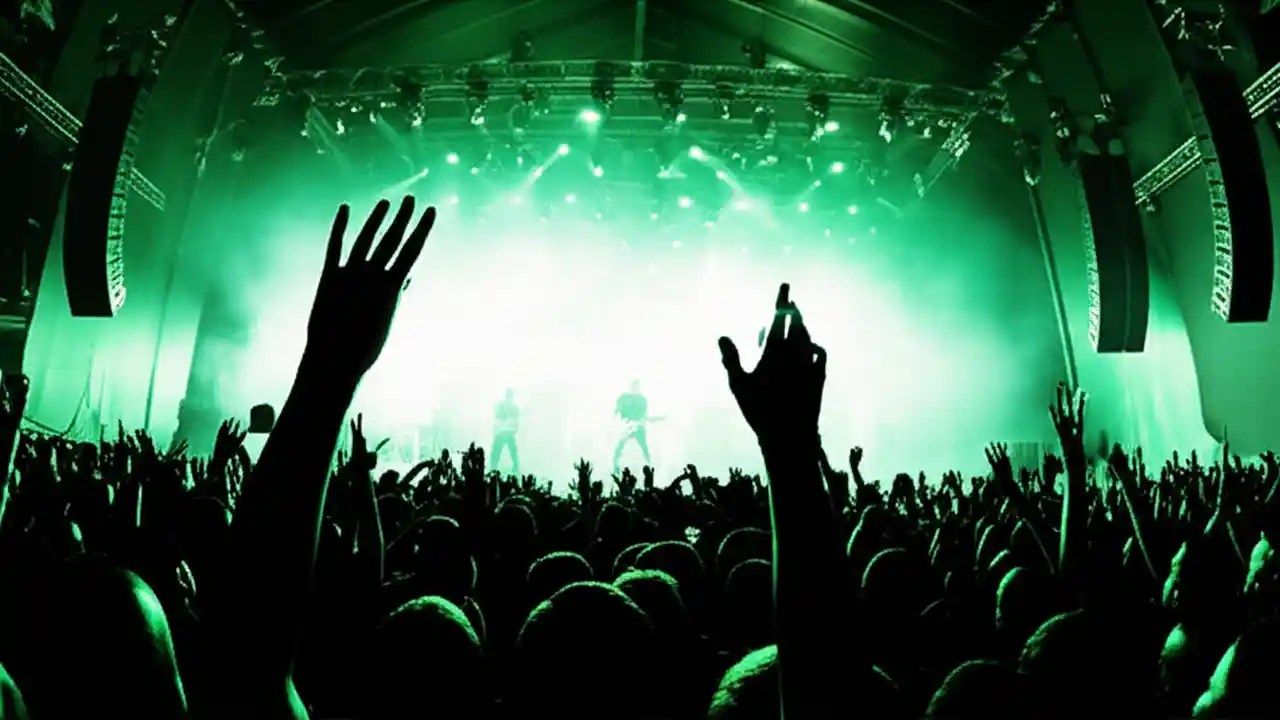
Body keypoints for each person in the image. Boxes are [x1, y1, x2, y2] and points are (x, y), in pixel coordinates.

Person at [613, 380, 659, 474]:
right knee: (620, 448)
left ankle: (649, 466)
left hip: (636, 425)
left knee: (643, 448)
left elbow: (644, 416)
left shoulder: (641, 399)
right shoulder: (624, 398)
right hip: (628, 425)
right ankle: (616, 467)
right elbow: (616, 411)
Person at [492, 388, 520, 475]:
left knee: (512, 453)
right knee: (497, 452)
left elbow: (516, 421)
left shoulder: (514, 408)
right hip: (502, 433)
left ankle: (515, 468)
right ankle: (494, 467)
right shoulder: (503, 406)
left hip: (507, 433)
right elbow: (496, 415)